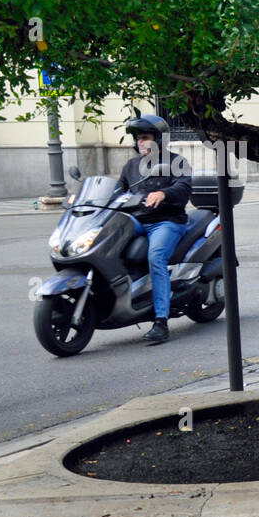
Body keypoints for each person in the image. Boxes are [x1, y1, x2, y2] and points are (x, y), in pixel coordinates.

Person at [116, 115, 192, 345]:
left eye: (146, 138)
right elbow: (118, 191)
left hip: (167, 221)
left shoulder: (176, 162)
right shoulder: (131, 166)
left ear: (159, 139)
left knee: (156, 256)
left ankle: (161, 321)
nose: (141, 143)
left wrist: (164, 193)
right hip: (138, 220)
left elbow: (185, 185)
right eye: (138, 139)